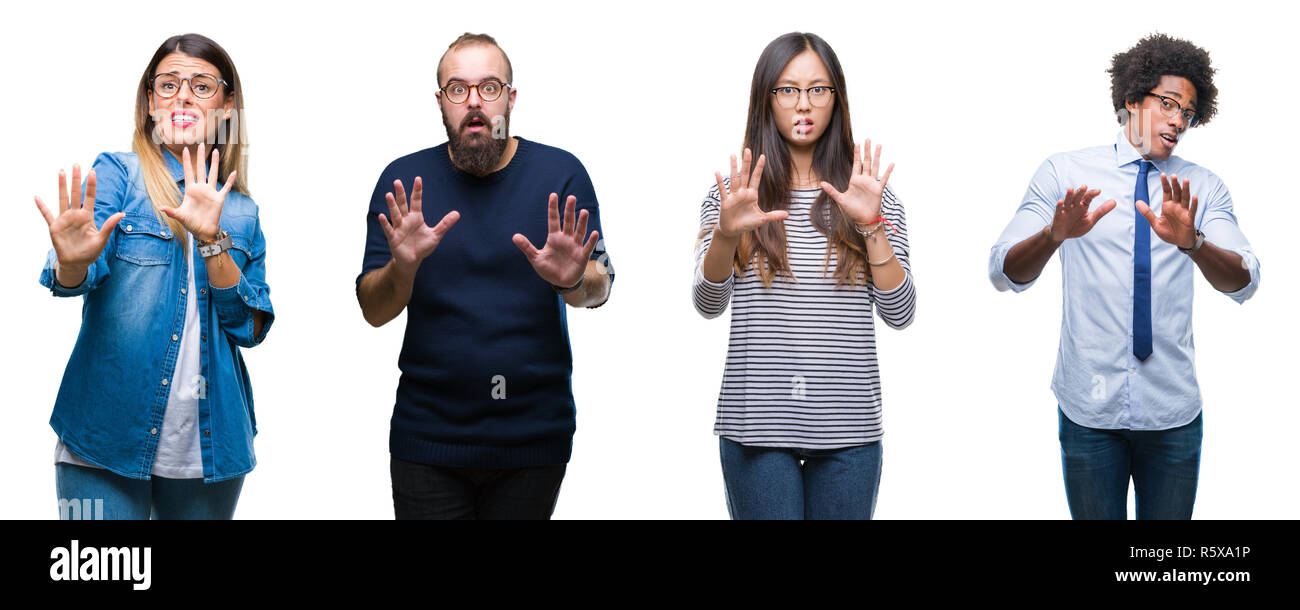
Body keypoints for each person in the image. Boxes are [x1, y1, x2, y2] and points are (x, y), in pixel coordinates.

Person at [988, 33, 1259, 520]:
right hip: (1089, 413)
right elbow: (1003, 271)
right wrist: (1054, 236)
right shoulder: (1064, 173)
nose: (1179, 121)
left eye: (1189, 113)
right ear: (1132, 99)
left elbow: (1244, 282)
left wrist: (1193, 243)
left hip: (1172, 413)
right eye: (1169, 104)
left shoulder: (1201, 187)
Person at [356, 33, 613, 520]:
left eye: (489, 87)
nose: (474, 102)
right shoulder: (403, 183)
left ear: (510, 98)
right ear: (440, 102)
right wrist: (403, 268)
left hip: (533, 439)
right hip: (427, 440)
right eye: (458, 89)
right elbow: (373, 310)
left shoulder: (561, 175)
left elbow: (600, 287)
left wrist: (572, 281)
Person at [36, 33, 273, 520]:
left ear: (227, 106)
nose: (183, 95)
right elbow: (76, 275)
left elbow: (250, 328)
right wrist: (75, 259)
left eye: (202, 85)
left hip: (211, 449)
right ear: (149, 102)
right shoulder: (118, 175)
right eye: (167, 84)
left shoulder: (244, 213)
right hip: (103, 437)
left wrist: (213, 241)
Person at [693, 32, 916, 520]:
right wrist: (726, 234)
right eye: (788, 89)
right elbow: (708, 304)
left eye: (819, 89)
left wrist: (871, 225)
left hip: (849, 432)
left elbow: (900, 313)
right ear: (765, 99)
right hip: (757, 428)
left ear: (836, 99)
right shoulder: (734, 196)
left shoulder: (870, 193)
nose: (803, 104)